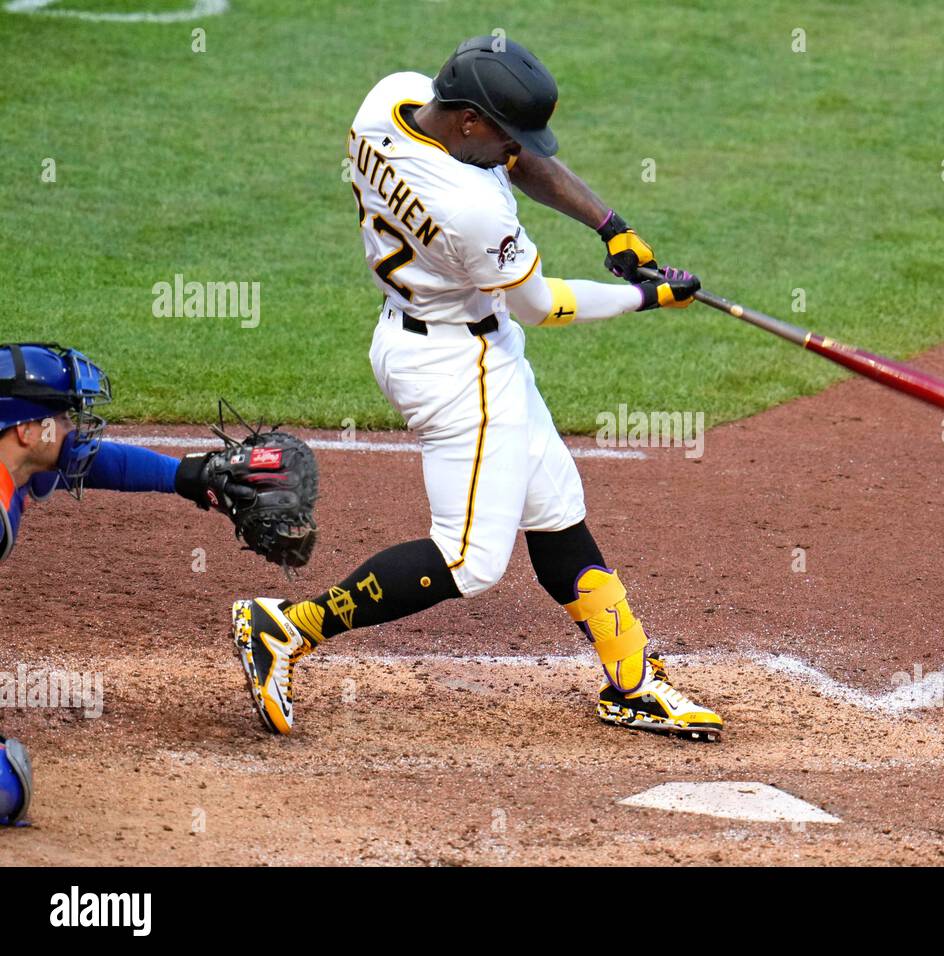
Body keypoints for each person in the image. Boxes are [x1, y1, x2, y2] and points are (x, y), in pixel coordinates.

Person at [230, 35, 723, 742]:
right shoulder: (471, 209)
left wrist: (611, 227)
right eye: (506, 134)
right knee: (468, 559)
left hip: (424, 335)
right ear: (467, 122)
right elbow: (540, 305)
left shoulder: (391, 98)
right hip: (462, 369)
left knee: (554, 509)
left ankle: (633, 682)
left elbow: (518, 160)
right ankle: (288, 628)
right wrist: (647, 299)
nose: (516, 149)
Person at [0, 342, 317, 823]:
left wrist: (191, 476)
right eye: (62, 417)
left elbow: (103, 463)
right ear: (26, 431)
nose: (73, 428)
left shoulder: (15, 465)